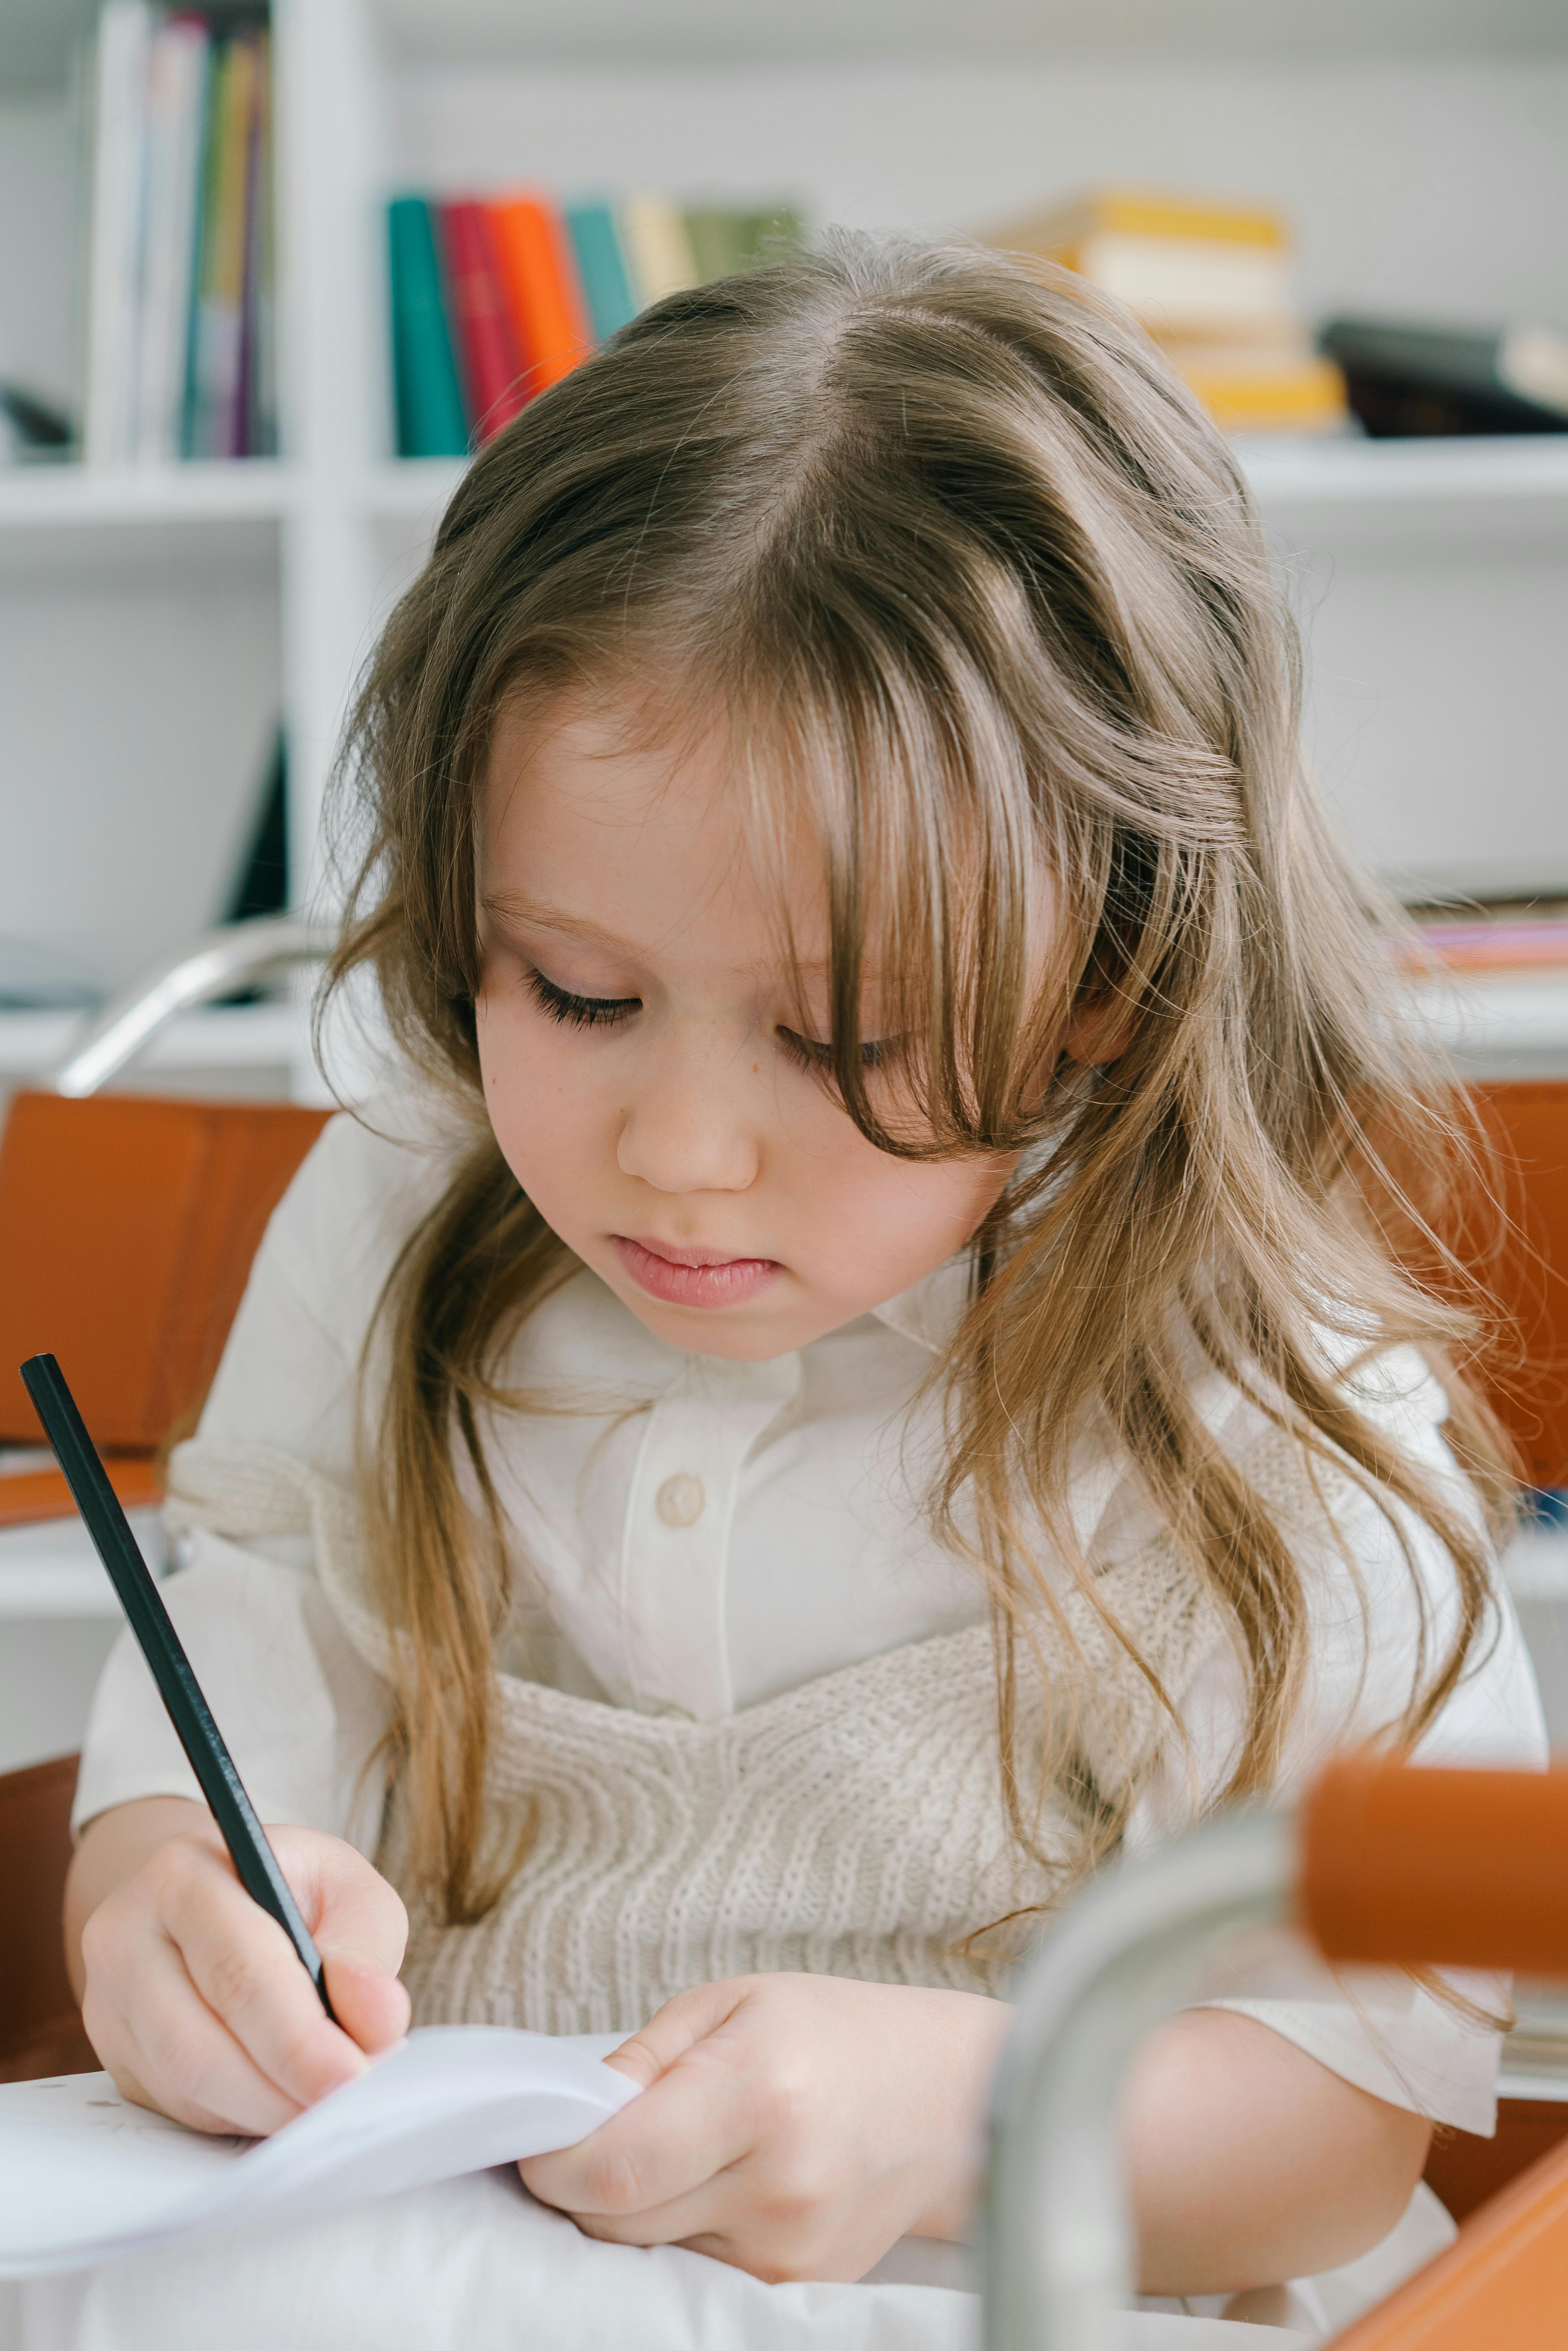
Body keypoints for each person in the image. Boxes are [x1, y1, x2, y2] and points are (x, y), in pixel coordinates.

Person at [63, 234, 1542, 2319]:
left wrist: (969, 2106)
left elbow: (1337, 2130)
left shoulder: (1260, 1395)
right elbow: (239, 1679)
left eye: (839, 1040)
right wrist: (164, 1906)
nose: (675, 1150)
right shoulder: (404, 1218)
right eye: (576, 992)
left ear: (1108, 982)